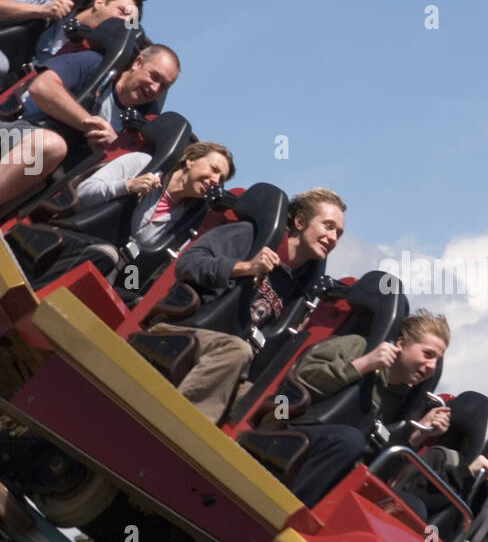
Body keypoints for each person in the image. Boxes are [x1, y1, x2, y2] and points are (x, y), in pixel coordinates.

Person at [148, 187, 346, 425]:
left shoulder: (301, 287)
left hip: (229, 359)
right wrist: (246, 267)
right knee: (236, 350)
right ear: (300, 221)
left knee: (271, 407)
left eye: (339, 234)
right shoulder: (250, 235)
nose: (333, 239)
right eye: (328, 226)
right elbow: (188, 263)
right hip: (180, 327)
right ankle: (177, 429)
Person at [287, 309, 451, 510]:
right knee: (349, 440)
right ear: (401, 344)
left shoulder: (403, 402)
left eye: (438, 361)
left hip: (343, 460)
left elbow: (381, 467)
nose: (432, 366)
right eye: (428, 354)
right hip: (295, 427)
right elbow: (301, 379)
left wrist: (419, 433)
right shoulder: (359, 346)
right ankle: (292, 511)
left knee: (413, 506)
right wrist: (363, 364)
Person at [29, 139, 234, 289]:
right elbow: (83, 193)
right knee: (105, 254)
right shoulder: (143, 164)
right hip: (77, 232)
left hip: (125, 268)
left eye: (221, 178)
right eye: (213, 169)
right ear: (190, 160)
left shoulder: (187, 218)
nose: (216, 180)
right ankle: (30, 303)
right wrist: (128, 185)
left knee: (131, 295)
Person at [0, 41, 179, 205]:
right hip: (13, 135)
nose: (155, 88)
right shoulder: (95, 66)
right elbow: (41, 88)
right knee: (50, 146)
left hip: (51, 181)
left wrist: (109, 150)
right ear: (138, 63)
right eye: (154, 77)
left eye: (163, 86)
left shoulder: (137, 126)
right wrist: (91, 125)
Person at [34, 0, 143, 60]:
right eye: (122, 11)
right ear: (100, 3)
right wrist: (42, 11)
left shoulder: (90, 58)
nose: (124, 21)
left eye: (130, 21)